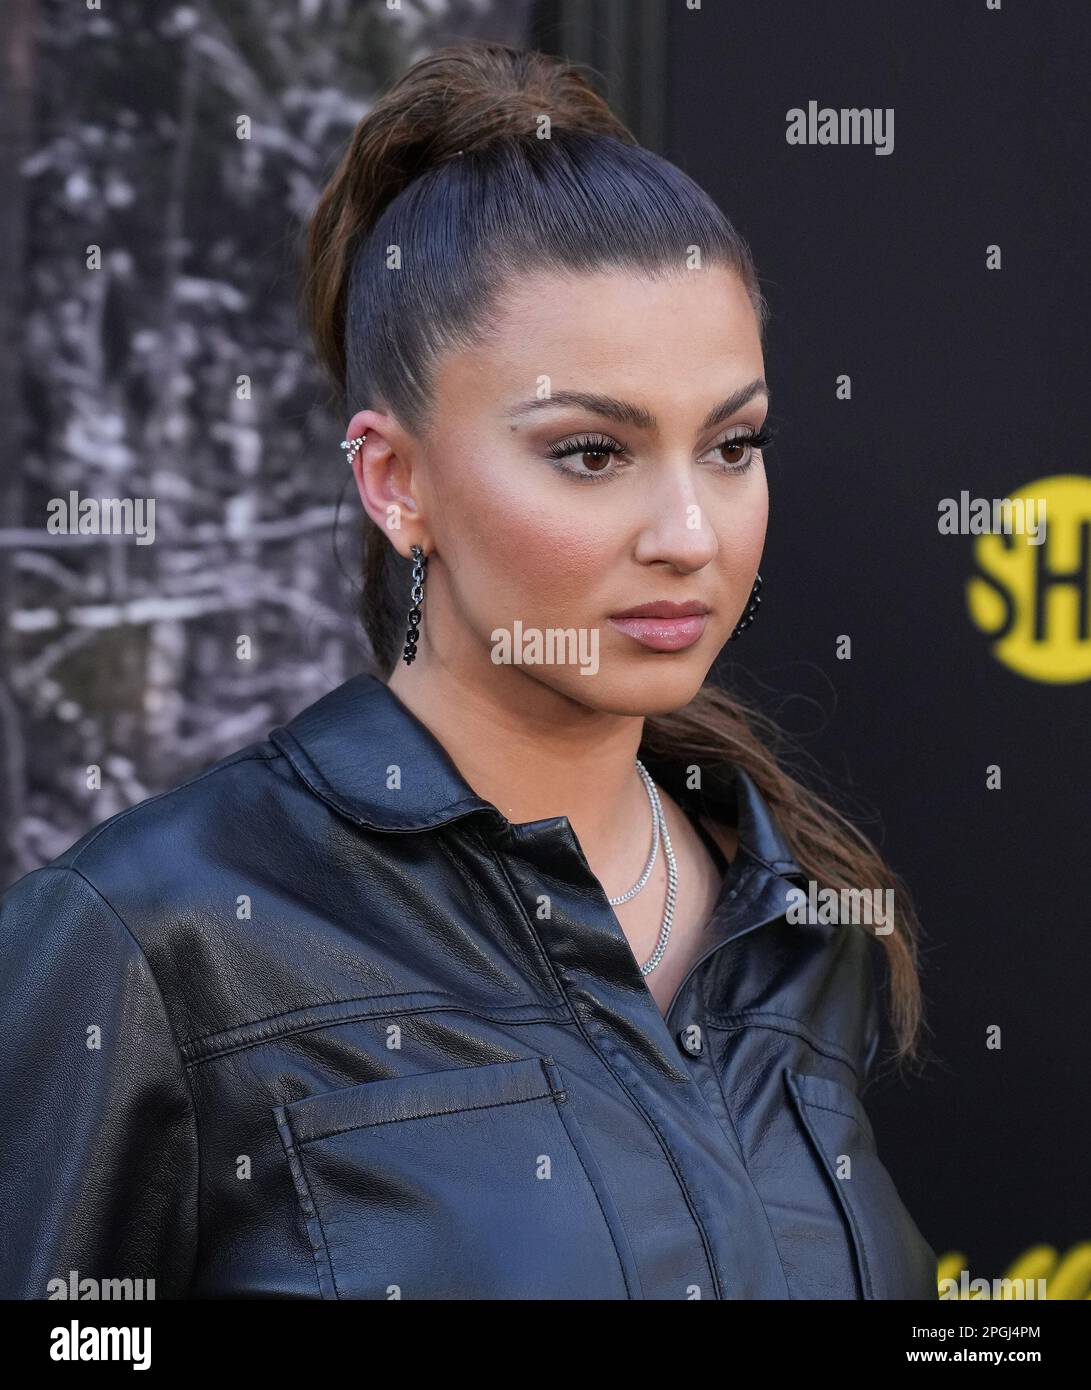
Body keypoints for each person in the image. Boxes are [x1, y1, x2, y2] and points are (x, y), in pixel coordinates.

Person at [0, 39, 937, 1300]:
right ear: (396, 482)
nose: (690, 536)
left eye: (731, 444)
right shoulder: (161, 938)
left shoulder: (793, 924)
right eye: (590, 453)